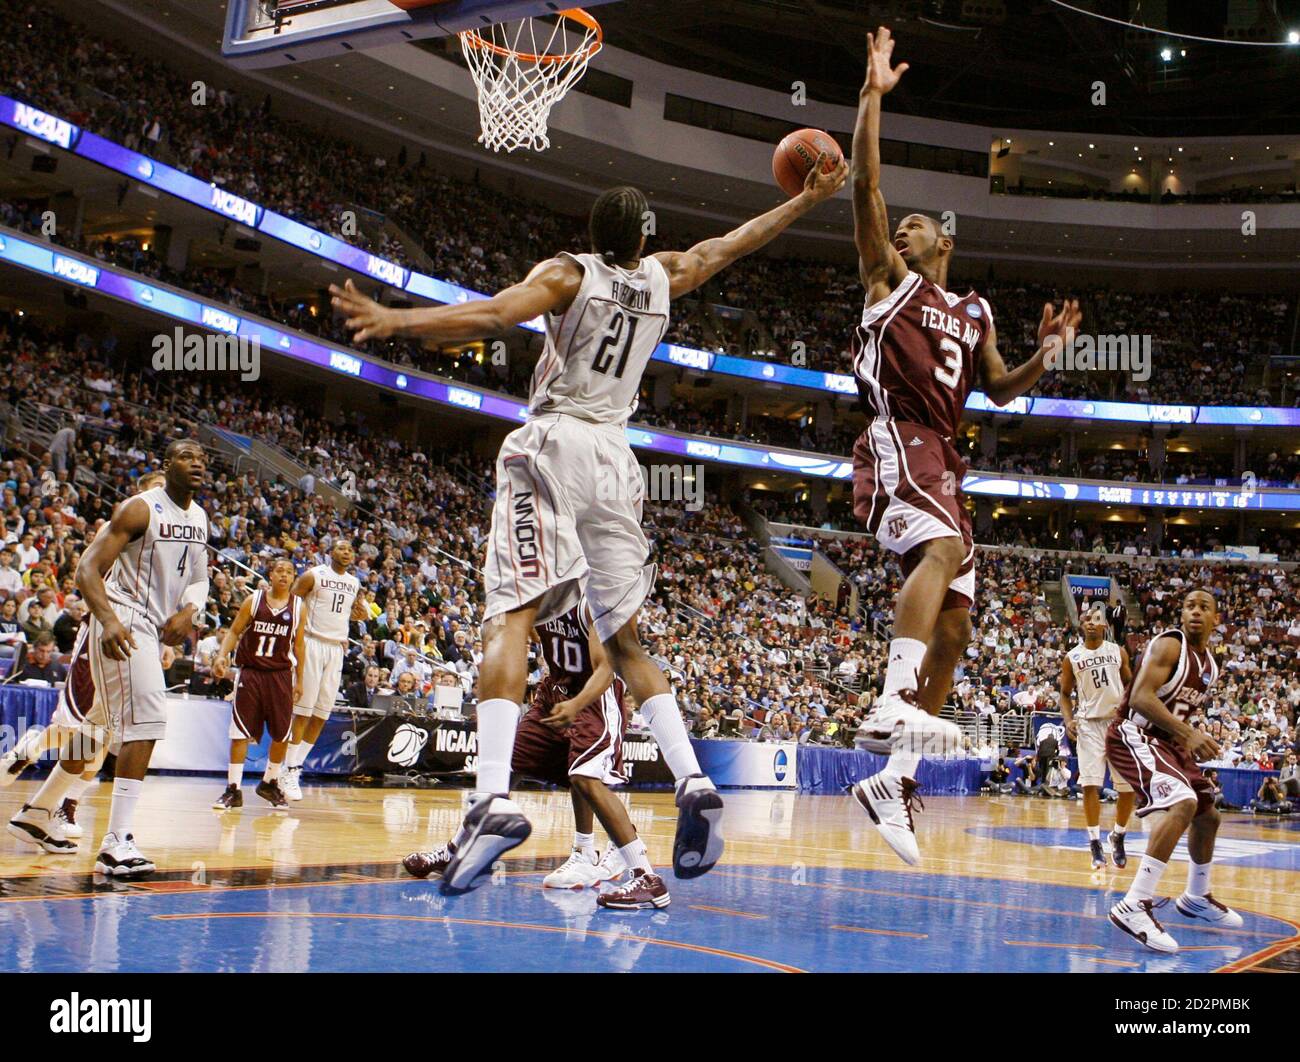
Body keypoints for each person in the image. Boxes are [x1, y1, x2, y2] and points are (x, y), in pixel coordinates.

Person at [331, 149, 847, 897]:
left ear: (595, 233)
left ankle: (489, 802)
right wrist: (805, 201)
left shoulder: (570, 274)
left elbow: (495, 313)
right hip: (617, 460)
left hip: (557, 440)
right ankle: (695, 781)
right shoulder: (667, 275)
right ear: (646, 238)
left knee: (509, 613)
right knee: (625, 641)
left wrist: (399, 318)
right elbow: (731, 245)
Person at [845, 27, 1082, 865]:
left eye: (915, 228)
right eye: (898, 229)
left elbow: (1001, 388)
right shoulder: (887, 280)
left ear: (945, 241)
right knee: (941, 548)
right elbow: (866, 185)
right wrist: (872, 97)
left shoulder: (973, 307)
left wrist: (1047, 356)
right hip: (898, 438)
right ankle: (887, 703)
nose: (900, 233)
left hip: (947, 453)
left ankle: (895, 779)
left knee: (958, 630)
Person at [6, 442, 209, 874]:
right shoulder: (139, 509)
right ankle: (116, 842)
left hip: (154, 627)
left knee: (97, 728)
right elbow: (86, 570)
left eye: (201, 458)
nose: (196, 463)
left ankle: (37, 813)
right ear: (166, 465)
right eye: (186, 456)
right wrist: (109, 619)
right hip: (122, 621)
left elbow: (199, 578)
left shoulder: (199, 517)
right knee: (148, 721)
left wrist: (190, 612)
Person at [405, 597, 673, 909]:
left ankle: (645, 875)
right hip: (553, 692)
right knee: (503, 768)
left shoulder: (591, 600)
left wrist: (575, 704)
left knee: (585, 777)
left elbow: (606, 666)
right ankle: (459, 847)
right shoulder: (539, 596)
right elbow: (525, 637)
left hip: (594, 698)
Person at [1105, 589, 1242, 953]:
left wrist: (1186, 741)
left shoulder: (1211, 665)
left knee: (1207, 815)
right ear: (1181, 614)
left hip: (1169, 744)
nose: (1195, 612)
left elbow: (1178, 710)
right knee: (1181, 802)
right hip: (1133, 734)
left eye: (1204, 607)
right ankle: (1135, 903)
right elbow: (1140, 699)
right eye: (1189, 606)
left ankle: (1196, 896)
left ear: (1217, 619)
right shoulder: (1169, 645)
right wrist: (1189, 734)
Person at [210, 557, 305, 810]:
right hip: (251, 673)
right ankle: (233, 789)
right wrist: (222, 655)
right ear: (270, 575)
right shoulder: (254, 600)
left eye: (290, 572)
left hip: (281, 675)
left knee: (282, 734)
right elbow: (234, 631)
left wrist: (300, 680)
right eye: (279, 571)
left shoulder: (298, 607)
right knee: (239, 732)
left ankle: (269, 782)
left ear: (294, 578)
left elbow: (299, 645)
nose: (284, 575)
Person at [280, 540, 367, 801]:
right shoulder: (313, 576)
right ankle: (287, 767)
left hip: (336, 648)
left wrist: (358, 614)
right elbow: (291, 604)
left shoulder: (354, 582)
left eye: (350, 550)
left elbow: (351, 611)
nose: (346, 553)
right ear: (331, 553)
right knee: (303, 711)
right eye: (342, 548)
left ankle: (295, 766)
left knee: (321, 713)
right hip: (312, 642)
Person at [1060, 607, 1135, 868]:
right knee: (1090, 785)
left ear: (1104, 625)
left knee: (1127, 788)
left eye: (1096, 620)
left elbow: (1131, 686)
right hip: (1089, 725)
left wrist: (1132, 717)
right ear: (1081, 625)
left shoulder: (1118, 652)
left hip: (1117, 724)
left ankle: (1119, 834)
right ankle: (1094, 842)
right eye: (1086, 620)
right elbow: (1064, 694)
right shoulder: (1072, 657)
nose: (1091, 624)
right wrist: (1068, 719)